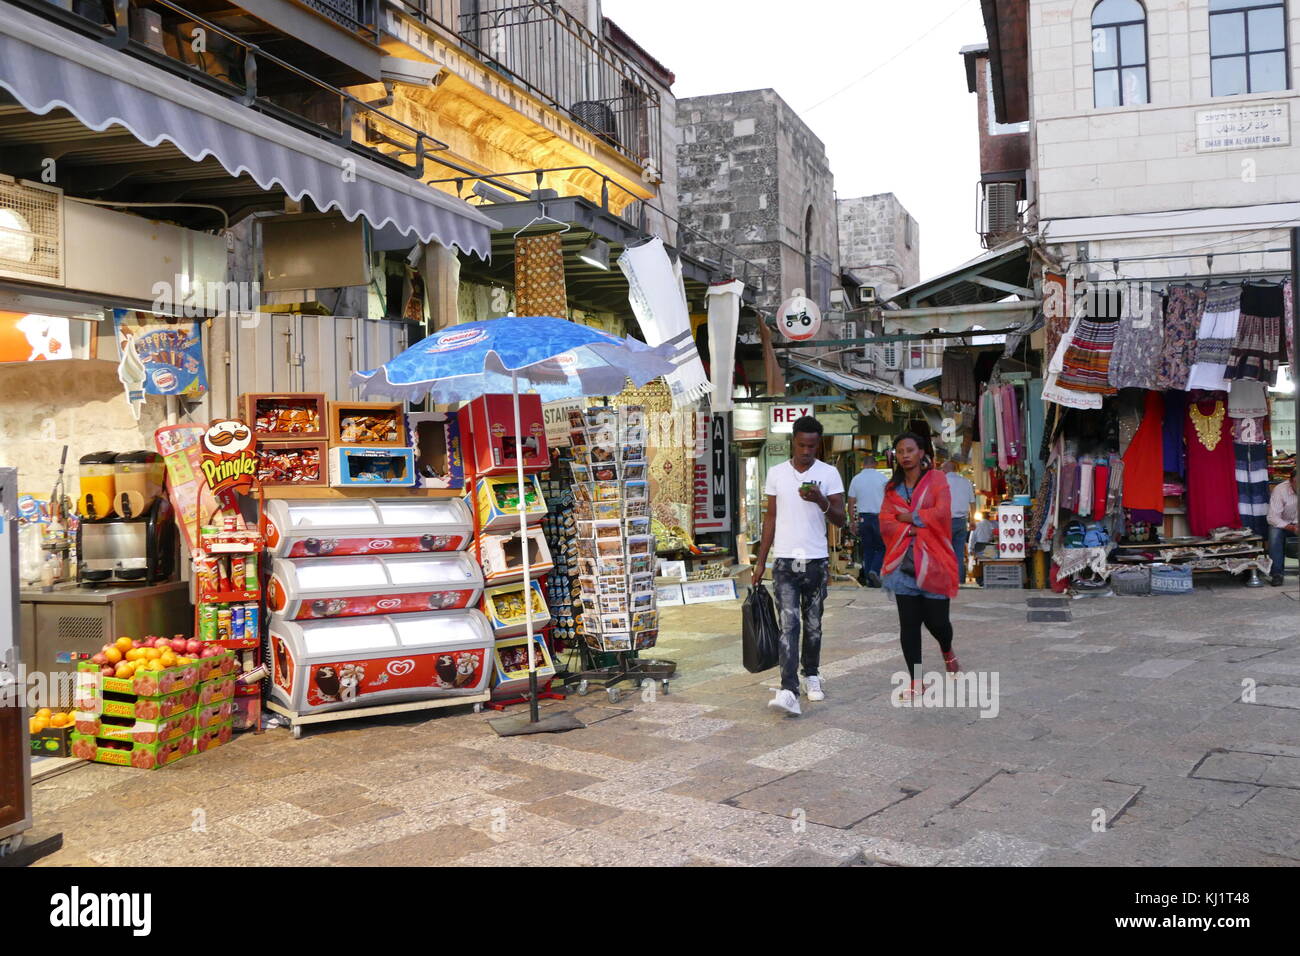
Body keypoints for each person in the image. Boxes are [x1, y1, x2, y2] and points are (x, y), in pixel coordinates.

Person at [752, 416, 846, 715]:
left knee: (814, 625)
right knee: (789, 625)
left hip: (816, 560)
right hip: (784, 561)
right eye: (802, 445)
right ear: (793, 442)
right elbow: (770, 518)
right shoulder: (777, 473)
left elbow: (841, 519)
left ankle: (811, 674)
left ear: (819, 445)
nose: (806, 451)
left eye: (812, 446)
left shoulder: (829, 473)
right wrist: (760, 562)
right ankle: (788, 688)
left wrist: (820, 499)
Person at [880, 432, 961, 701]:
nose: (905, 455)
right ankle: (916, 680)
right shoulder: (892, 488)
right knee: (909, 624)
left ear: (921, 452)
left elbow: (942, 513)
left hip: (935, 563)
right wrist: (916, 527)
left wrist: (908, 517)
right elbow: (886, 522)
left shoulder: (937, 479)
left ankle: (947, 650)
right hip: (903, 565)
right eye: (900, 451)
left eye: (910, 450)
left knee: (938, 622)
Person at [848, 455, 889, 587]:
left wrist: (852, 522)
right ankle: (874, 570)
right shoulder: (883, 478)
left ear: (862, 465)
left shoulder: (856, 479)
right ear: (875, 464)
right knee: (882, 547)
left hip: (863, 517)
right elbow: (890, 500)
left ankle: (869, 581)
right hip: (879, 517)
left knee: (867, 549)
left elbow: (851, 502)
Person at [941, 460, 977, 583]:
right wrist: (972, 520)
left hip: (944, 522)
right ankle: (960, 581)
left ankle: (947, 581)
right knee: (959, 553)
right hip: (961, 522)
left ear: (946, 469)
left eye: (942, 469)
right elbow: (972, 503)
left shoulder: (941, 482)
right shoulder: (966, 482)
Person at [1267, 468, 1297, 586]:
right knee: (1274, 533)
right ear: (1291, 481)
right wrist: (1292, 528)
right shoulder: (1280, 490)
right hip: (1284, 525)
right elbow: (1272, 518)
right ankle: (1277, 574)